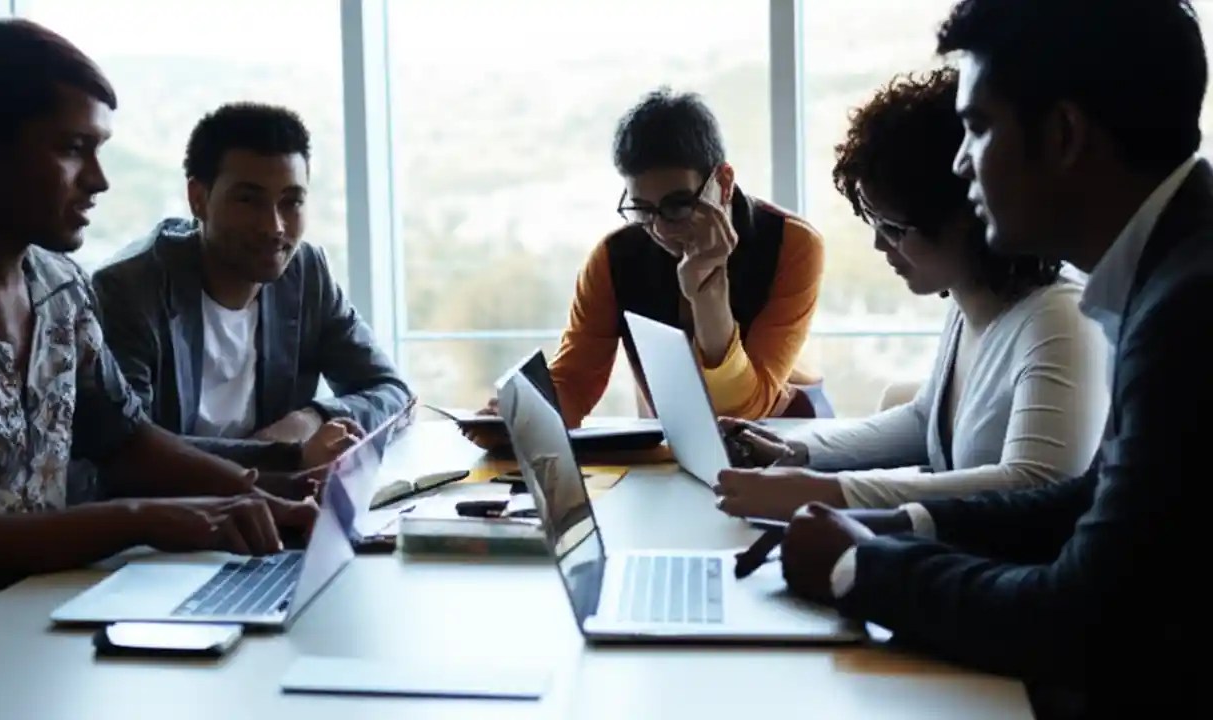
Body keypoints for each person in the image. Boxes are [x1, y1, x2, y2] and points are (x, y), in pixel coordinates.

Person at [760, 1, 1206, 715]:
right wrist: (893, 528)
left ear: (1062, 135)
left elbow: (1080, 617)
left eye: (977, 127)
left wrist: (858, 566)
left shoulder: (1188, 307)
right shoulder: (1169, 272)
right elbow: (1088, 498)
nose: (961, 161)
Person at [0, 17, 318, 623]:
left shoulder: (60, 287)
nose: (98, 180)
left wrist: (263, 495)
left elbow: (125, 439)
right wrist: (141, 520)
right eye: (72, 149)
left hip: (41, 617)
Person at [714, 67, 1109, 522]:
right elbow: (925, 421)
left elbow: (1033, 483)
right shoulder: (970, 304)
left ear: (967, 216)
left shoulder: (1059, 320)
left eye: (895, 228)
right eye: (873, 220)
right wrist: (795, 450)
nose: (880, 244)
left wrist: (831, 492)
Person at [471, 88, 826, 440]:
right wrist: (523, 414)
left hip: (790, 436)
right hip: (683, 444)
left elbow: (743, 411)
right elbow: (575, 382)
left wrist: (708, 296)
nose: (660, 229)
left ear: (723, 182)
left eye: (678, 205)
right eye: (642, 208)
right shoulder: (614, 258)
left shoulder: (792, 244)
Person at [93, 103, 412, 472]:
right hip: (176, 507)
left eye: (291, 202)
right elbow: (131, 452)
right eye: (249, 200)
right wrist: (284, 454)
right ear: (198, 199)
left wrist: (312, 418)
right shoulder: (129, 291)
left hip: (281, 503)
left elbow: (393, 393)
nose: (274, 226)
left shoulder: (307, 275)